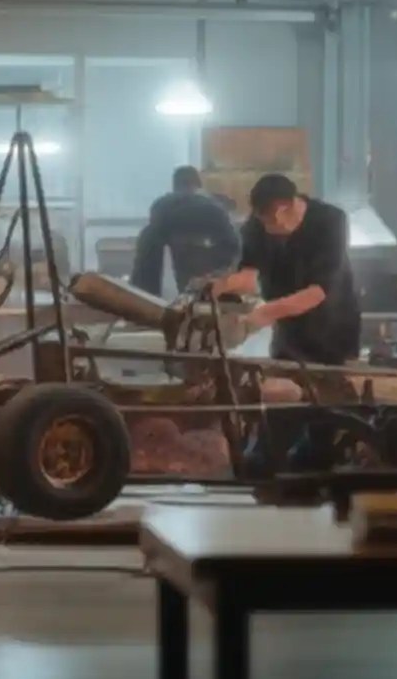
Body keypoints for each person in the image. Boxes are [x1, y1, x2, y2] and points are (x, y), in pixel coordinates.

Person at [210, 174, 362, 471]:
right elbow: (251, 274)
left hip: (332, 330)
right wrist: (217, 287)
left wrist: (262, 315)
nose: (266, 230)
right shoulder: (256, 228)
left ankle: (318, 465)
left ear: (282, 210)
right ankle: (268, 465)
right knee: (282, 403)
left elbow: (317, 292)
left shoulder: (329, 221)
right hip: (289, 332)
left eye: (269, 222)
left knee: (327, 411)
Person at [129, 166, 240, 297]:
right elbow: (235, 248)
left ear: (174, 186)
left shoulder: (160, 206)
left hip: (157, 289)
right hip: (206, 282)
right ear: (198, 184)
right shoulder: (214, 207)